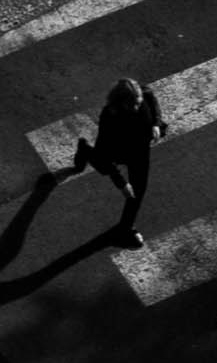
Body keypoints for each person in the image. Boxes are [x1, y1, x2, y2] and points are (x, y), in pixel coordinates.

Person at [65, 74, 165, 249]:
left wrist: (156, 124)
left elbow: (152, 101)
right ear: (119, 103)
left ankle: (125, 229)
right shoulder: (110, 118)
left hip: (140, 152)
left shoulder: (142, 95)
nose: (137, 107)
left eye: (139, 103)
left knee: (138, 191)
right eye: (132, 104)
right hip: (118, 152)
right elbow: (105, 155)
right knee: (100, 159)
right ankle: (85, 149)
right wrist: (121, 183)